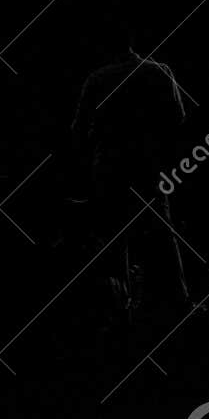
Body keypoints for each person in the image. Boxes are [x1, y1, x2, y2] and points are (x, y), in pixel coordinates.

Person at [70, 24, 191, 317]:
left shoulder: (96, 79)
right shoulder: (158, 71)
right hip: (148, 164)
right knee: (161, 232)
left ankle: (119, 304)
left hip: (109, 167)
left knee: (113, 236)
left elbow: (78, 130)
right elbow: (178, 119)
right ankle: (176, 301)